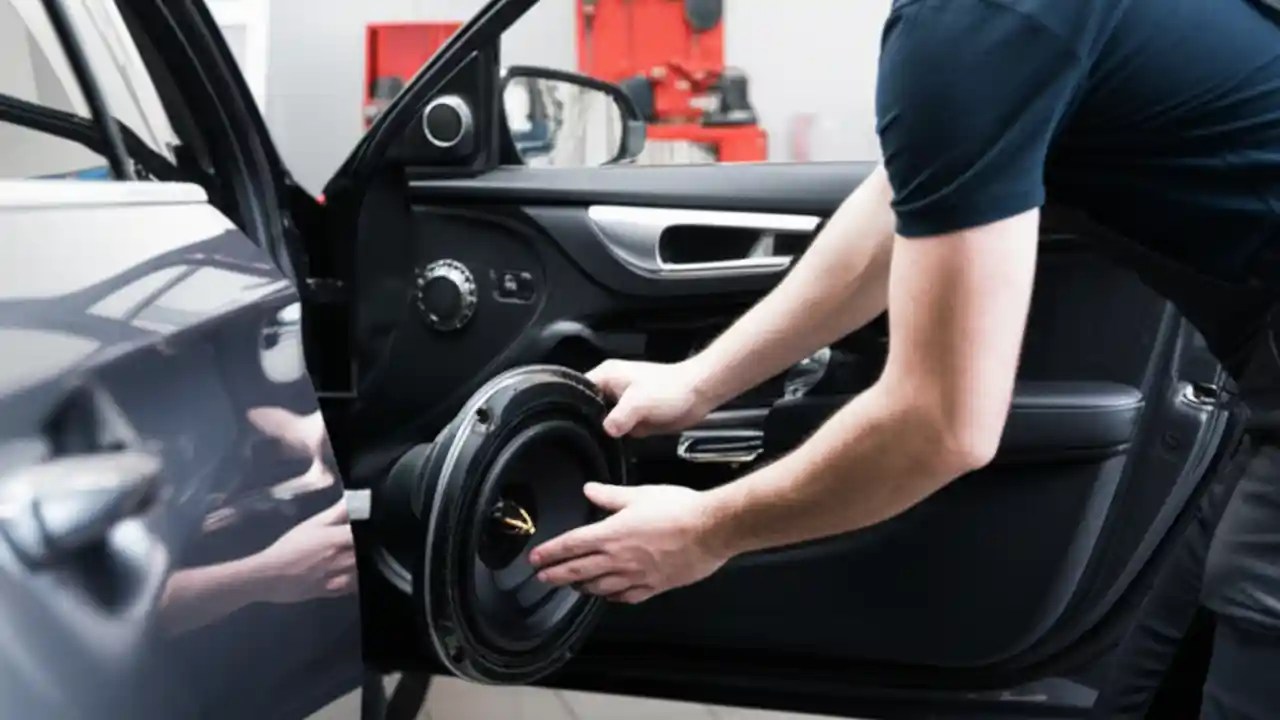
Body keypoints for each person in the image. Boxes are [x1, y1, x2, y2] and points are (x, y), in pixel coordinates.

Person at [527, 0, 1280, 716]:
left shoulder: (971, 18)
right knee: (1150, 686)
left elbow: (943, 424)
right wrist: (701, 382)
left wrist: (708, 532)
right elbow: (903, 202)